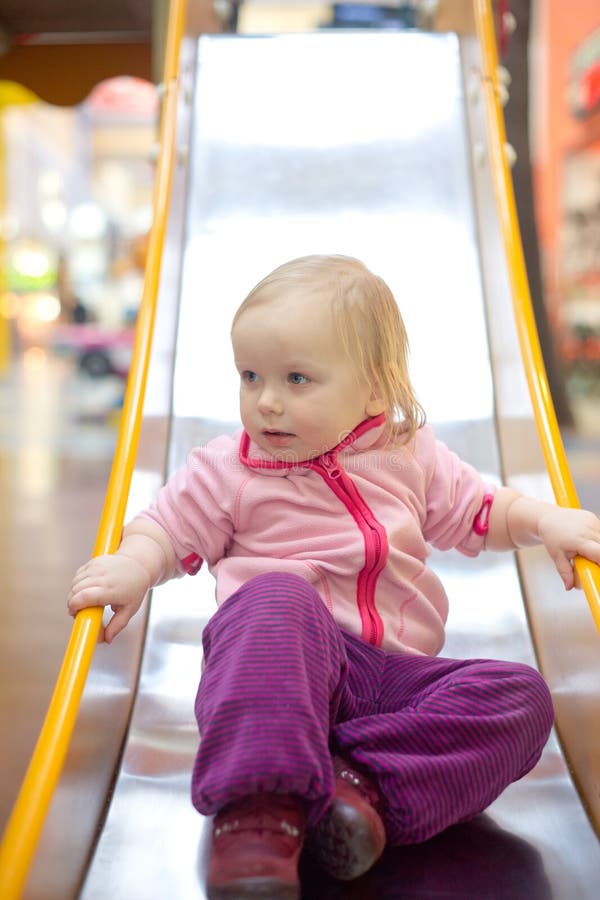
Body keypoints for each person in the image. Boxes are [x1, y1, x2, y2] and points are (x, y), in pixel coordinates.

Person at [68, 255, 600, 900]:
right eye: (250, 376)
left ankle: (358, 791)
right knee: (276, 594)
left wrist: (546, 522)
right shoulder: (227, 470)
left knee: (520, 698)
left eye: (297, 379)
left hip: (391, 681)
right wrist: (131, 566)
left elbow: (484, 511)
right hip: (277, 670)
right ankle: (258, 817)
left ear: (374, 390)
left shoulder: (409, 455)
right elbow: (165, 528)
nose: (267, 400)